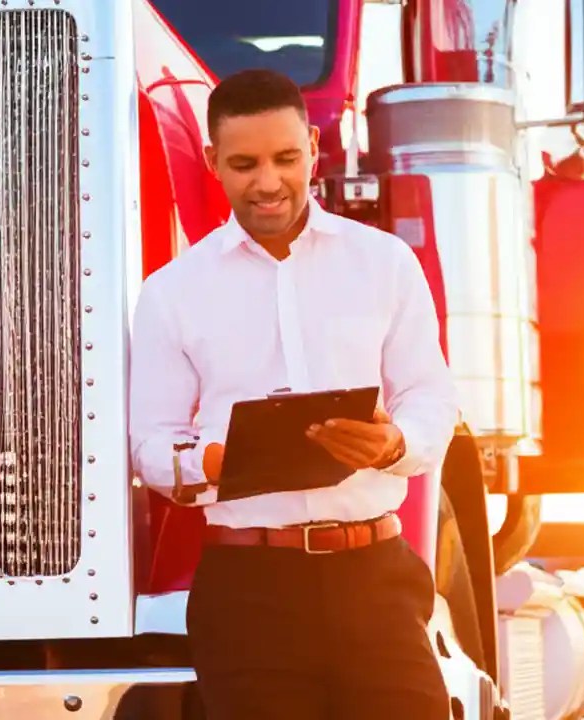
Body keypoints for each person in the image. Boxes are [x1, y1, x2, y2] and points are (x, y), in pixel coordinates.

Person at [128, 68, 460, 719]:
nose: (268, 181)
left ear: (312, 146)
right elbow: (150, 443)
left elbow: (430, 397)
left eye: (285, 158)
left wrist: (395, 442)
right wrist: (217, 464)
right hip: (249, 594)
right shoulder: (172, 292)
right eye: (244, 163)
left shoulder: (386, 261)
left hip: (376, 580)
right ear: (212, 163)